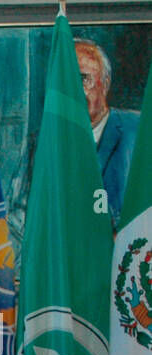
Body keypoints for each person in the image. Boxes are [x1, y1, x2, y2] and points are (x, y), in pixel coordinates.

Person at [75, 38, 140, 229]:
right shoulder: (37, 146)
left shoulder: (140, 130)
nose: (75, 91)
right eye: (65, 82)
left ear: (105, 83)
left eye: (83, 79)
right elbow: (18, 220)